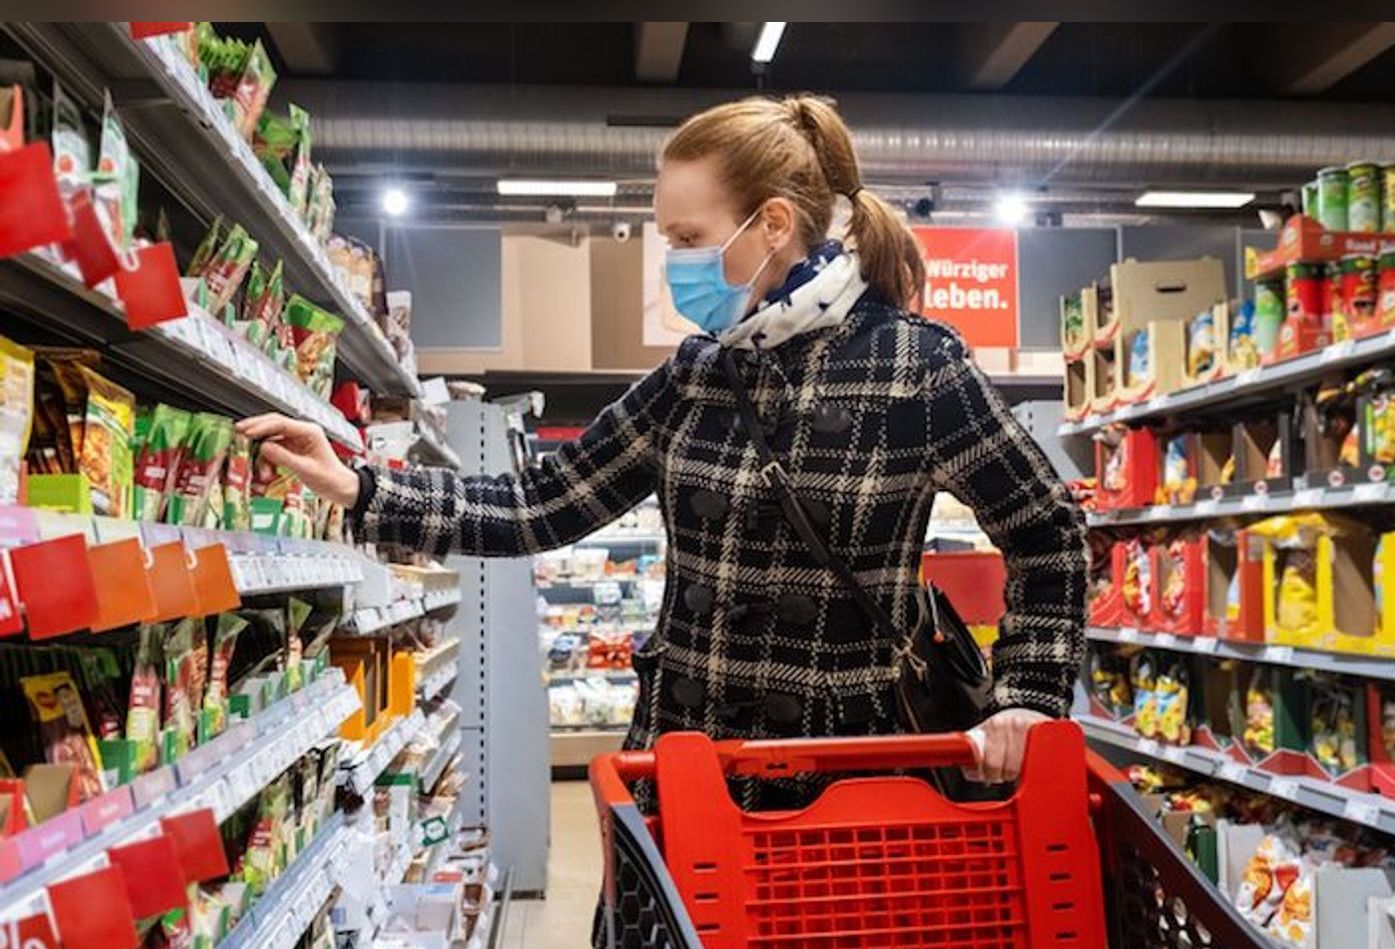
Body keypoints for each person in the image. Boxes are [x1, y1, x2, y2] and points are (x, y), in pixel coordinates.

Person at [239, 93, 1087, 795]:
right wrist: (360, 487)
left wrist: (1030, 696)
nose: (670, 262)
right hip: (686, 767)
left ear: (772, 224)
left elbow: (1047, 531)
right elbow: (543, 500)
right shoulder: (693, 377)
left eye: (685, 238)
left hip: (848, 779)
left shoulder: (915, 368)